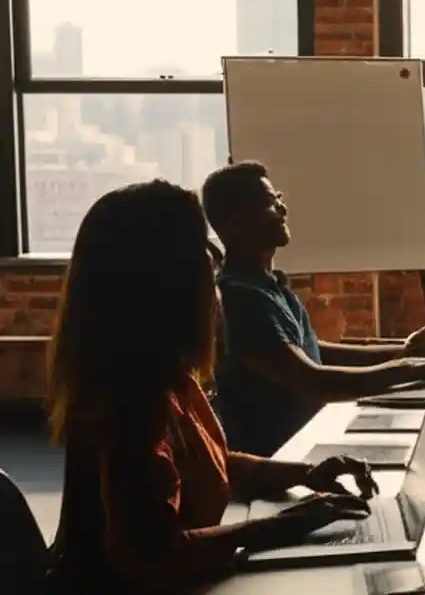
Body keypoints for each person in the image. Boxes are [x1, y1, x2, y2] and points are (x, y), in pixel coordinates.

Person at [45, 180, 377, 593]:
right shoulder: (131, 404)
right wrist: (279, 527)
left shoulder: (165, 374)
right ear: (161, 280)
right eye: (201, 250)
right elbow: (154, 556)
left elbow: (208, 463)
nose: (215, 262)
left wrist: (307, 474)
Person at [201, 161, 425, 457]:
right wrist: (412, 369)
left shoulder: (267, 283)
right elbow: (315, 382)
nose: (282, 209)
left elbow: (313, 350)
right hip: (278, 462)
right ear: (236, 223)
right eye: (269, 203)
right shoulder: (240, 297)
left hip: (307, 444)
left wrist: (403, 352)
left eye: (279, 199)